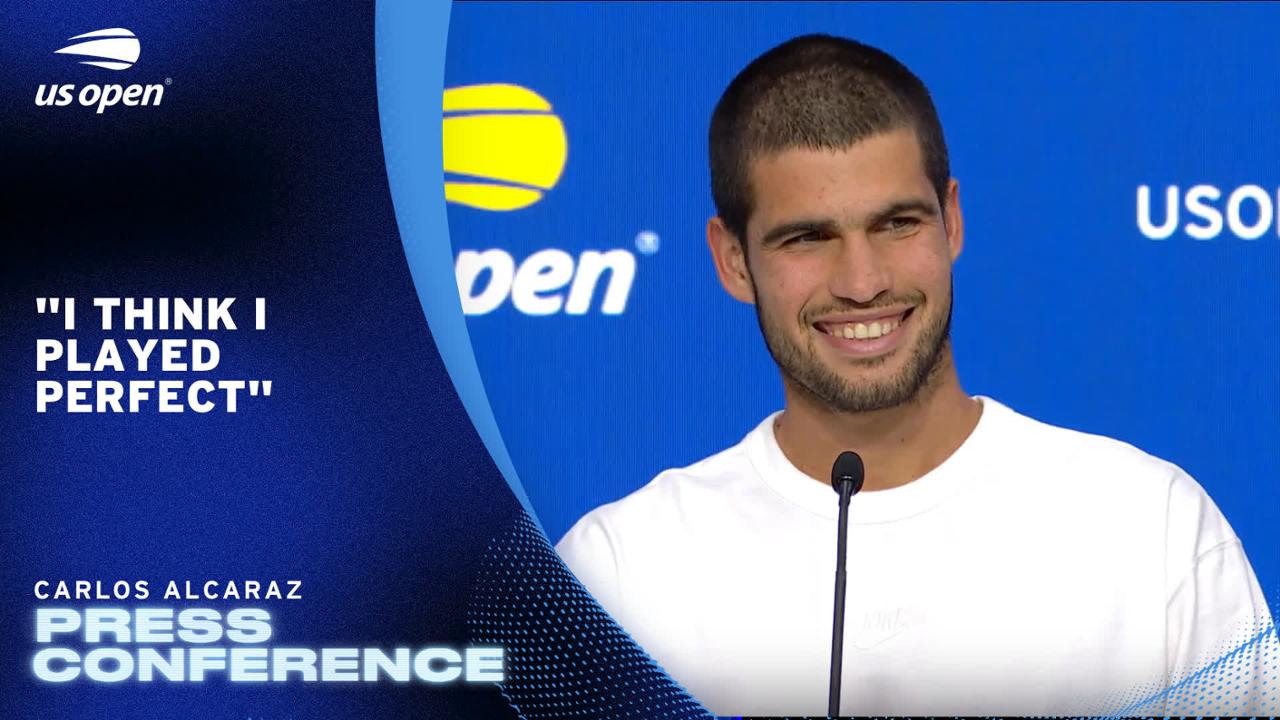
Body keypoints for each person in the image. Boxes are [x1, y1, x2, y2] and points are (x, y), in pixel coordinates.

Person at [555, 34, 1275, 716]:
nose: (863, 283)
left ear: (951, 221)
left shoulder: (1153, 530)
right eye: (808, 237)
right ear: (733, 259)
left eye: (897, 224)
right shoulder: (619, 573)